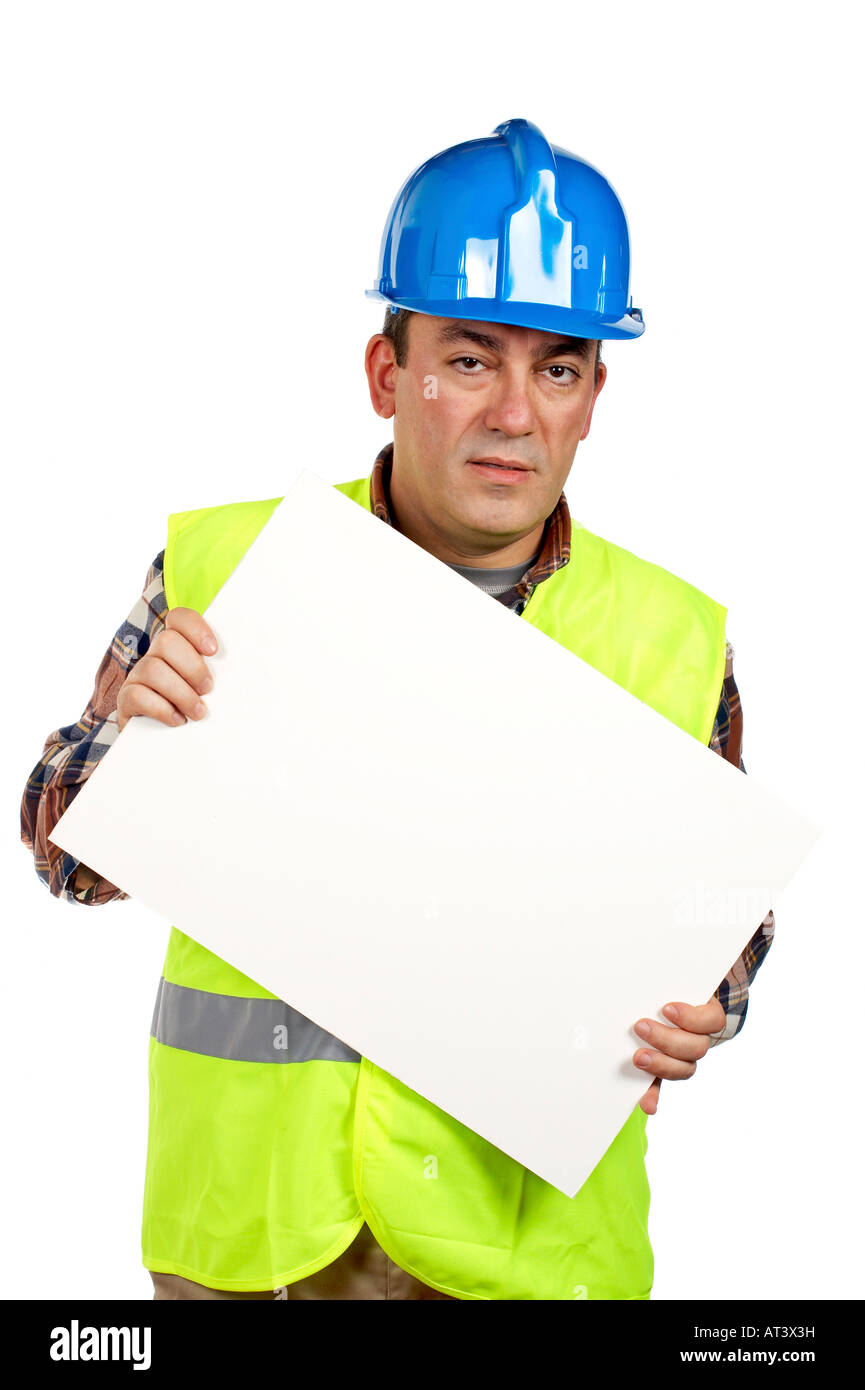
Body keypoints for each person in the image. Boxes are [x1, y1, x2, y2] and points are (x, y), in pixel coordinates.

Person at [20, 118, 775, 1301]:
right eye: (471, 359)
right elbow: (64, 863)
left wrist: (708, 1008)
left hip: (523, 1260)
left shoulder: (673, 637)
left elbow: (719, 926)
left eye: (557, 366)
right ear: (388, 374)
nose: (515, 413)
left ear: (593, 396)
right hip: (249, 1244)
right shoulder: (234, 570)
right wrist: (126, 759)